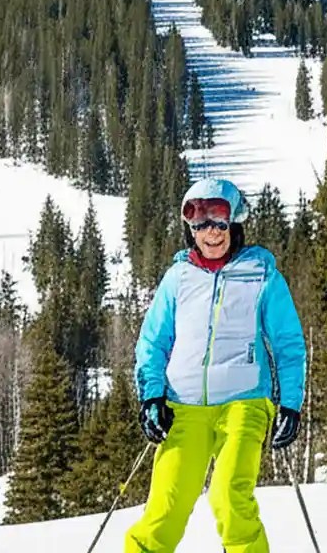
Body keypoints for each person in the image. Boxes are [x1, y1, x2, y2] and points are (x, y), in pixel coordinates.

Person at [127, 178, 306, 553]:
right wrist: (152, 397)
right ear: (190, 230)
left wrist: (290, 403)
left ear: (234, 224)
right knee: (164, 508)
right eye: (200, 224)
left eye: (219, 223)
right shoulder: (177, 279)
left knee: (228, 497)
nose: (211, 233)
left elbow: (288, 344)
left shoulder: (261, 275)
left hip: (244, 404)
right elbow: (153, 342)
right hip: (183, 406)